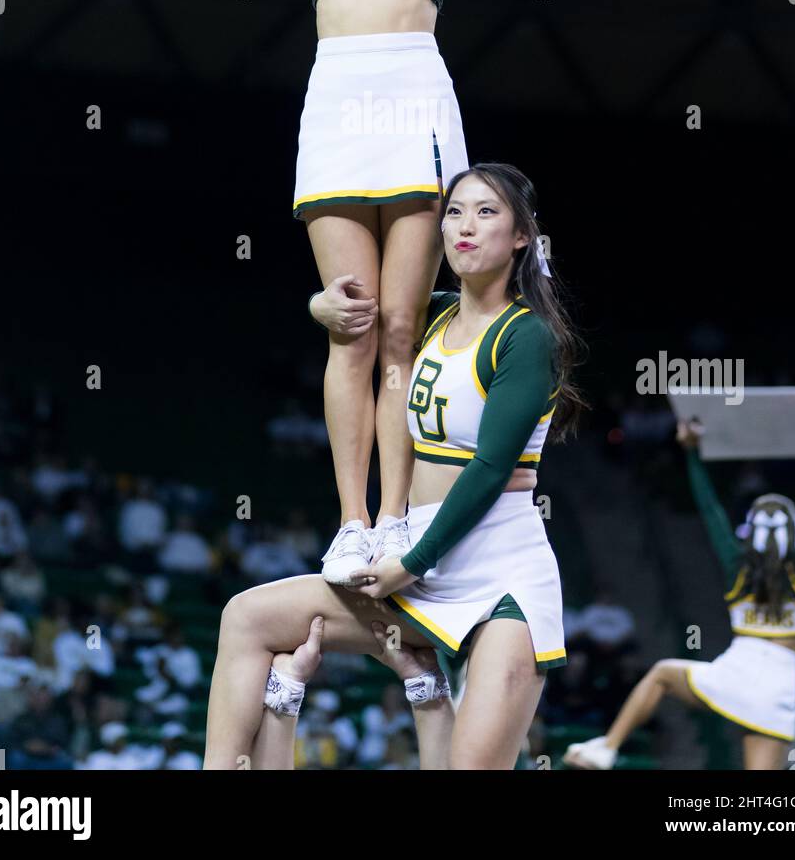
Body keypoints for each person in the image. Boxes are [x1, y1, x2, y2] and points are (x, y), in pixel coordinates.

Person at [256, 0, 565, 584]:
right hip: (335, 104)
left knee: (399, 327)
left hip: (415, 100)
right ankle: (349, 520)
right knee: (347, 320)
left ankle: (395, 515)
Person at [204, 162, 585, 770]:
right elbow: (349, 312)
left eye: (487, 212)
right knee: (247, 619)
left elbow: (489, 469)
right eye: (455, 211)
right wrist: (318, 306)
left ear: (521, 237)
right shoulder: (429, 315)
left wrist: (409, 562)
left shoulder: (526, 337)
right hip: (418, 564)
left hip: (497, 580)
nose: (464, 226)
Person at [564, 413, 795, 771]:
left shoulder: (737, 567)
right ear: (792, 534)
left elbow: (710, 509)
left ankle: (607, 747)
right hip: (778, 686)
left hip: (736, 670)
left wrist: (693, 453)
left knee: (664, 673)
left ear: (751, 533)